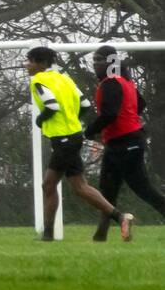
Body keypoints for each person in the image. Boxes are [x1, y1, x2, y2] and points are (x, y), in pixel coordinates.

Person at [24, 45, 132, 241]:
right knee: (79, 186)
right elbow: (85, 104)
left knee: (49, 185)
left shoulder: (38, 81)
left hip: (63, 139)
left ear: (41, 64)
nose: (27, 65)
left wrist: (40, 120)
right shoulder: (64, 78)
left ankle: (47, 235)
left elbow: (51, 106)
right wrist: (73, 120)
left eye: (30, 61)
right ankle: (120, 217)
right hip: (74, 135)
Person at [84, 45, 165, 240]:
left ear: (111, 62)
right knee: (106, 192)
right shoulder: (123, 80)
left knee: (143, 188)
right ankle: (100, 236)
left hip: (126, 143)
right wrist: (128, 118)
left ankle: (100, 235)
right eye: (94, 60)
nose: (95, 64)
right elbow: (140, 104)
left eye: (100, 60)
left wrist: (90, 131)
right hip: (120, 142)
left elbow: (110, 114)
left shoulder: (111, 83)